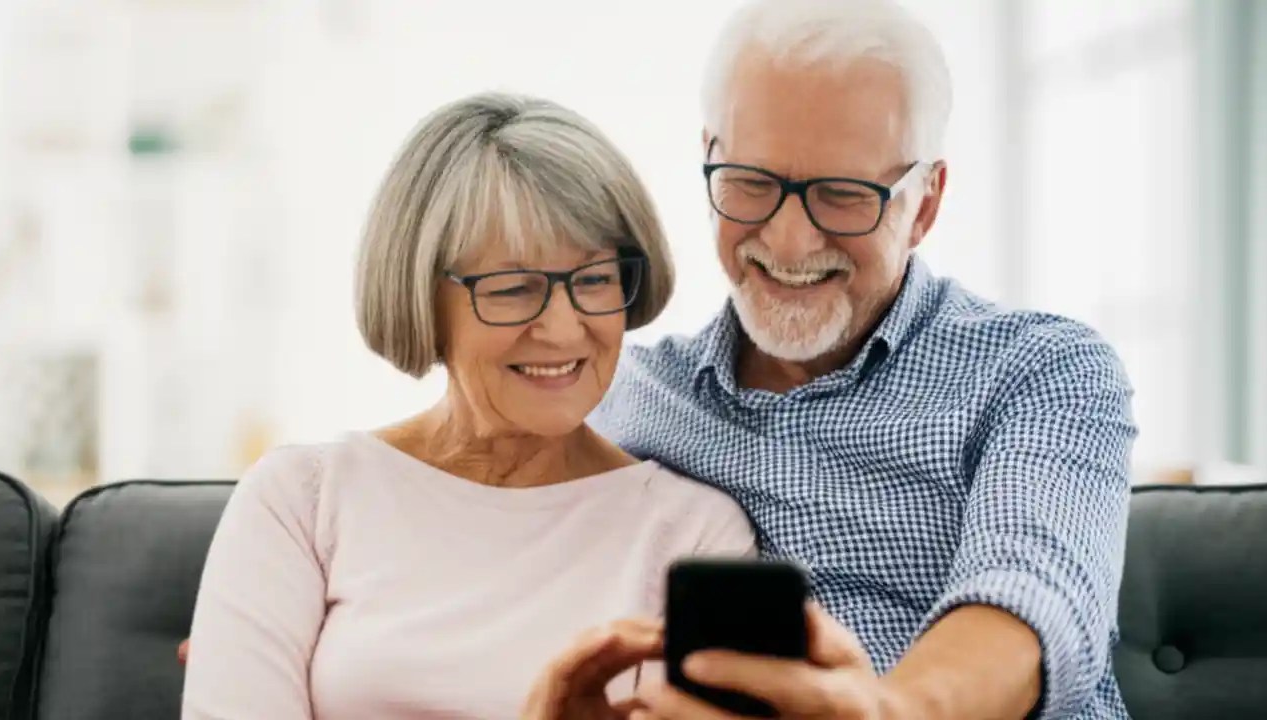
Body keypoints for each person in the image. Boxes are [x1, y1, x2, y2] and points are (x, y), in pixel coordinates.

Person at [577, 0, 1138, 717]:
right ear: (710, 156)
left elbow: (1034, 593)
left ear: (925, 205)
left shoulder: (1042, 369)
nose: (787, 242)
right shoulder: (632, 396)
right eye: (751, 183)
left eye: (842, 197)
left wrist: (889, 714)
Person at [180, 92, 755, 719]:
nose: (564, 331)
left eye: (593, 280)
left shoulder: (695, 536)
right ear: (423, 298)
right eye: (513, 289)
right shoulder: (302, 500)